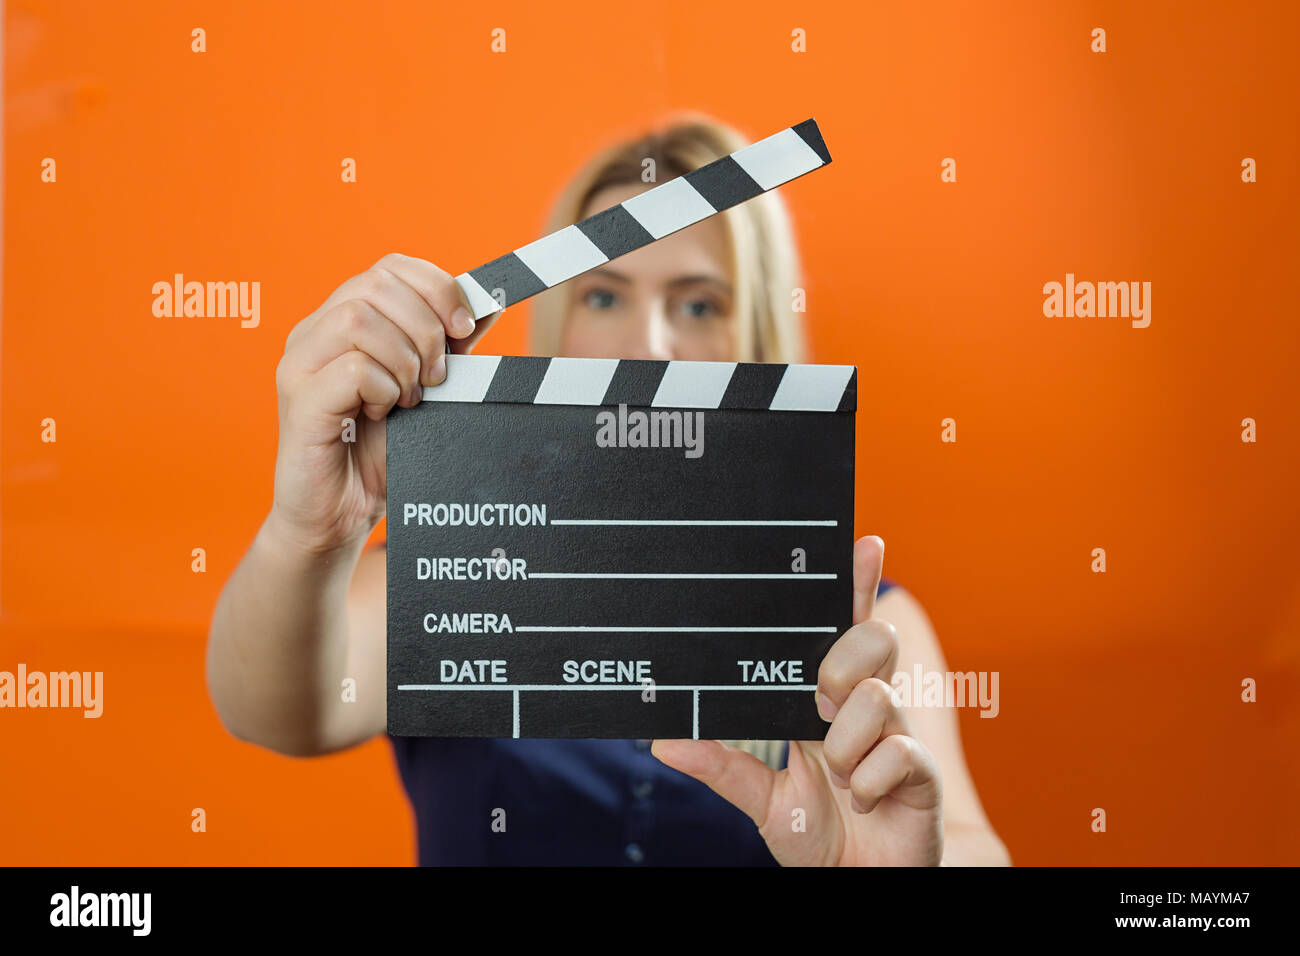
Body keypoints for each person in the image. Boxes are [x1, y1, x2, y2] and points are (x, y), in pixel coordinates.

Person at [206, 112, 1011, 866]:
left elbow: (971, 845)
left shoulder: (864, 622)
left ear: (757, 335)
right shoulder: (447, 569)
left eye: (699, 303)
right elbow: (274, 711)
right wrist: (313, 529)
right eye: (603, 293)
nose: (649, 344)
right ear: (559, 324)